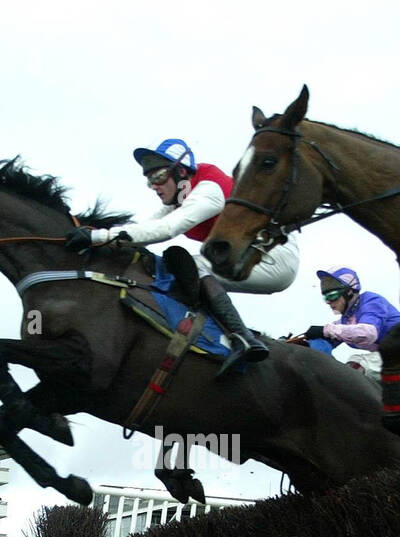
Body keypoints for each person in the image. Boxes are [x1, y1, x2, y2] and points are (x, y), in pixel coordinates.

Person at [65, 138, 298, 376]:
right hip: (250, 255)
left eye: (158, 178)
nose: (154, 186)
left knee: (190, 264)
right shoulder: (182, 195)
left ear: (181, 171)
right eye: (149, 181)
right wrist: (98, 236)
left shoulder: (208, 190)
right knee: (176, 267)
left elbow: (166, 229)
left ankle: (243, 339)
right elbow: (146, 228)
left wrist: (100, 237)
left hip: (273, 258)